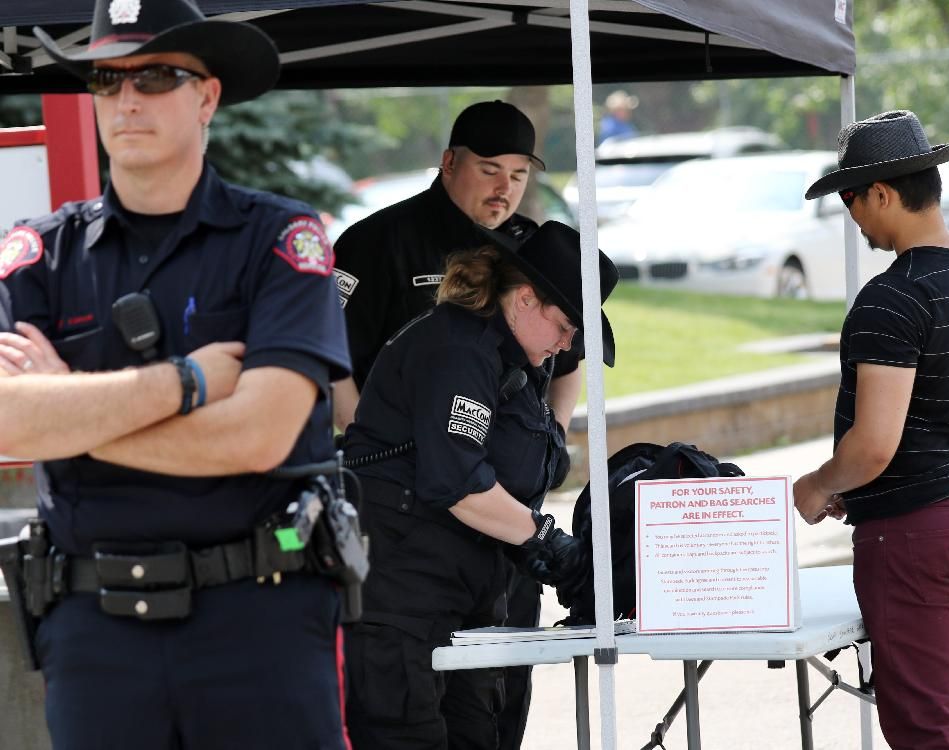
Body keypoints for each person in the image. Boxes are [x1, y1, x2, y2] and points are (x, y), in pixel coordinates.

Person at [0, 1, 353, 748]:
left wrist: (68, 410)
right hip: (95, 631)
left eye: (157, 76)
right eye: (107, 79)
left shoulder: (280, 241)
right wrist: (184, 385)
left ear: (207, 96)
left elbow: (260, 435)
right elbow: (7, 422)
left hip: (259, 622)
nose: (127, 100)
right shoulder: (41, 254)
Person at [332, 98, 581, 748]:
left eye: (520, 175)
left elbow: (569, 363)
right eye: (491, 169)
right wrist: (396, 450)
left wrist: (547, 447)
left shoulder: (537, 256)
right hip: (414, 525)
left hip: (497, 532)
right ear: (449, 163)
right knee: (411, 716)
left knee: (495, 712)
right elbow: (328, 357)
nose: (506, 188)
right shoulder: (377, 242)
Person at [341, 220, 617, 750]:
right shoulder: (458, 349)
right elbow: (459, 482)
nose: (568, 343)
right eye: (565, 326)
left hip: (469, 597)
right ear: (526, 299)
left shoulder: (518, 355)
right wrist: (545, 539)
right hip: (403, 602)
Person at [793, 110, 949, 750]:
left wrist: (816, 485)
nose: (853, 218)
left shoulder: (893, 298)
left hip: (913, 532)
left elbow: (874, 445)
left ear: (882, 192)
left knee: (927, 727)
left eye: (851, 199)